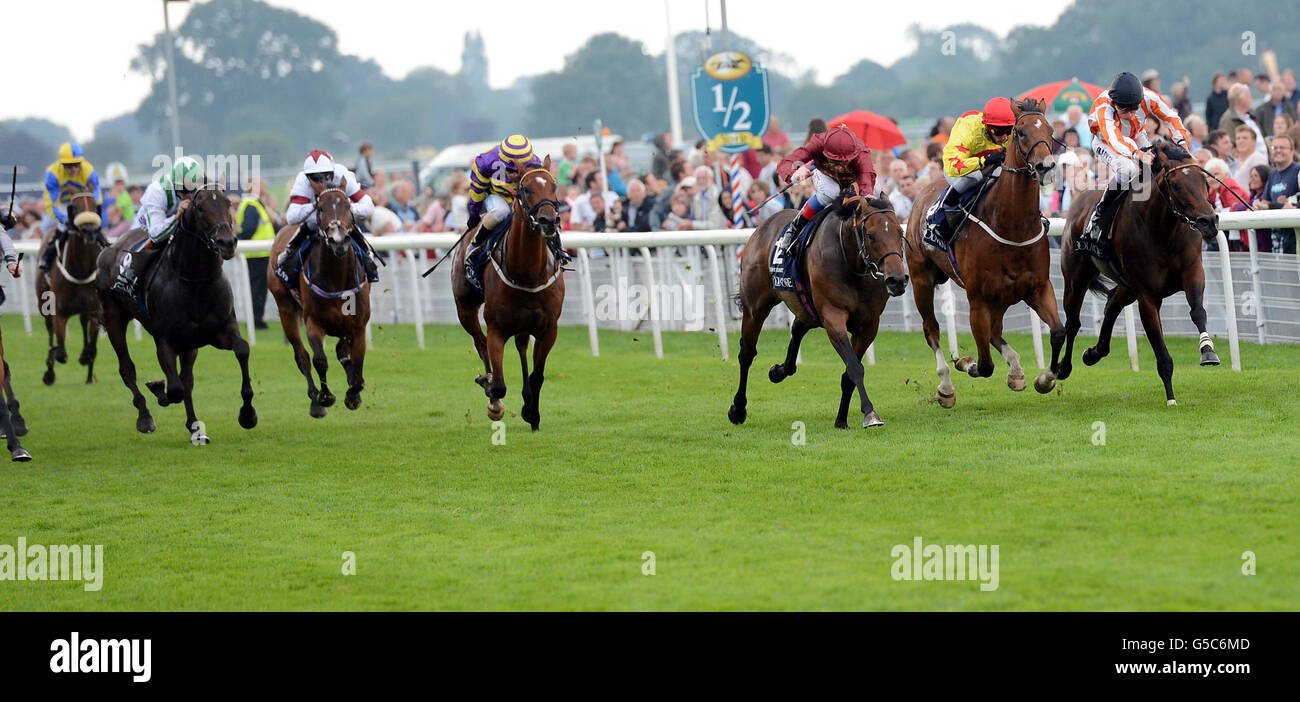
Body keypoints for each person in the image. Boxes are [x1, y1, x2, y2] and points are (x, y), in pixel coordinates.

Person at [1077, 72, 1191, 252]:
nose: (1130, 115)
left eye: (1134, 109)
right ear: (1114, 104)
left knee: (1160, 166)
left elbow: (1171, 117)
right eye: (1124, 110)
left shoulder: (1148, 97)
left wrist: (1182, 142)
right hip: (1106, 142)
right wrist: (1137, 154)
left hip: (1135, 136)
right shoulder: (1103, 107)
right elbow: (1115, 140)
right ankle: (1099, 217)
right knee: (1128, 170)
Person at [462, 134, 567, 288]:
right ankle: (475, 246)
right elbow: (477, 190)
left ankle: (557, 249)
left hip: (520, 197)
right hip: (497, 195)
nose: (519, 164)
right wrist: (474, 213)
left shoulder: (535, 162)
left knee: (539, 215)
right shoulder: (485, 161)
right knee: (501, 212)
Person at [107, 156, 205, 307]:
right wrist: (177, 216)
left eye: (193, 189)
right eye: (185, 190)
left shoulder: (200, 185)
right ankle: (128, 275)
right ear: (176, 184)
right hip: (150, 225)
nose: (189, 195)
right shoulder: (158, 191)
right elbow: (156, 234)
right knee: (156, 242)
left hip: (176, 223)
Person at [274, 150, 378, 287]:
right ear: (308, 177)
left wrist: (345, 211)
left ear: (332, 172)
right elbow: (292, 217)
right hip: (314, 221)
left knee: (353, 232)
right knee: (308, 228)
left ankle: (369, 261)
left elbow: (369, 207)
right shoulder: (302, 181)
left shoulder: (342, 175)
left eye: (325, 176)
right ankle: (288, 260)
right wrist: (318, 207)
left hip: (342, 222)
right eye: (315, 178)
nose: (321, 182)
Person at [922, 97, 1015, 250]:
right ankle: (938, 217)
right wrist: (985, 160)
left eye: (1008, 130)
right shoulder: (968, 127)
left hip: (993, 165)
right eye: (998, 131)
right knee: (974, 178)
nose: (1005, 137)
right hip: (961, 169)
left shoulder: (1011, 130)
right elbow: (953, 166)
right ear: (987, 126)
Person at [774, 124, 877, 252]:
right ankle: (794, 229)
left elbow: (866, 181)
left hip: (852, 181)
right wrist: (794, 173)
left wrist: (867, 196)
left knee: (863, 203)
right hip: (825, 175)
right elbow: (788, 162)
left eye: (844, 162)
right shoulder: (818, 143)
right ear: (824, 151)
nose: (839, 168)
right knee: (831, 192)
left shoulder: (862, 153)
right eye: (835, 161)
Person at [38, 142, 105, 274]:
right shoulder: (53, 174)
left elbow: (97, 195)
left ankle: (105, 249)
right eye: (69, 166)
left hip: (83, 201)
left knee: (94, 226)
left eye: (76, 164)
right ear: (62, 164)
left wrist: (94, 214)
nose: (73, 169)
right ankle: (46, 258)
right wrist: (64, 219)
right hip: (62, 203)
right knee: (48, 227)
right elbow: (52, 205)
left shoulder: (89, 170)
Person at [236, 179, 277, 329]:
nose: (264, 186)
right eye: (261, 183)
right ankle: (256, 320)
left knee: (258, 286)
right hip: (257, 253)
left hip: (259, 252)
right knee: (257, 287)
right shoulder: (252, 205)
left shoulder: (253, 204)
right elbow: (248, 229)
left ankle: (256, 318)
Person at [1260, 134, 1300, 253]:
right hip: (1277, 237)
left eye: (1282, 148)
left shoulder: (1298, 170)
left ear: (1292, 151)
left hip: (1295, 237)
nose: (1278, 151)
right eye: (1274, 148)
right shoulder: (1273, 174)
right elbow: (1265, 202)